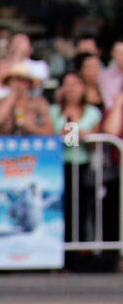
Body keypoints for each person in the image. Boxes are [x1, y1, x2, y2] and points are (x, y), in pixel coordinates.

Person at [50, 70, 103, 247]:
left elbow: (96, 139)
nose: (71, 89)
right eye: (68, 84)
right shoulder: (53, 111)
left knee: (80, 208)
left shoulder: (92, 112)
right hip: (58, 165)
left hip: (81, 164)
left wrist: (86, 135)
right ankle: (59, 250)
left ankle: (79, 250)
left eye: (76, 84)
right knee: (59, 209)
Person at [0, 63, 53, 136]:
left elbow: (49, 130)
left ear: (29, 84)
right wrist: (12, 96)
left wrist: (29, 127)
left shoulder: (39, 103)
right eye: (15, 80)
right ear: (9, 82)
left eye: (23, 80)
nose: (19, 84)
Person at [98, 40, 123, 112]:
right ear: (112, 53)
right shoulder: (104, 75)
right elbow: (107, 102)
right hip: (111, 114)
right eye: (118, 52)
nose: (121, 56)